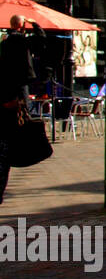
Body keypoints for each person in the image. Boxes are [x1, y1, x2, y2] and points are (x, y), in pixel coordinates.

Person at [0, 15, 44, 204]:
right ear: (22, 26)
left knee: (4, 146)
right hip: (17, 96)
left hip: (5, 97)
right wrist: (33, 22)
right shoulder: (23, 42)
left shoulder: (4, 44)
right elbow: (42, 39)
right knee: (11, 141)